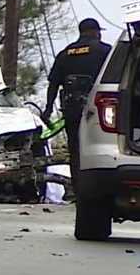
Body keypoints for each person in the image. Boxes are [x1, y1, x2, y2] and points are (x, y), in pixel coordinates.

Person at [44, 18, 112, 193]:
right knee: (101, 147)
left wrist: (48, 109)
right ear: (96, 32)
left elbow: (53, 84)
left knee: (75, 149)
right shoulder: (105, 51)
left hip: (72, 109)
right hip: (99, 111)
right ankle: (99, 189)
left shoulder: (65, 54)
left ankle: (78, 189)